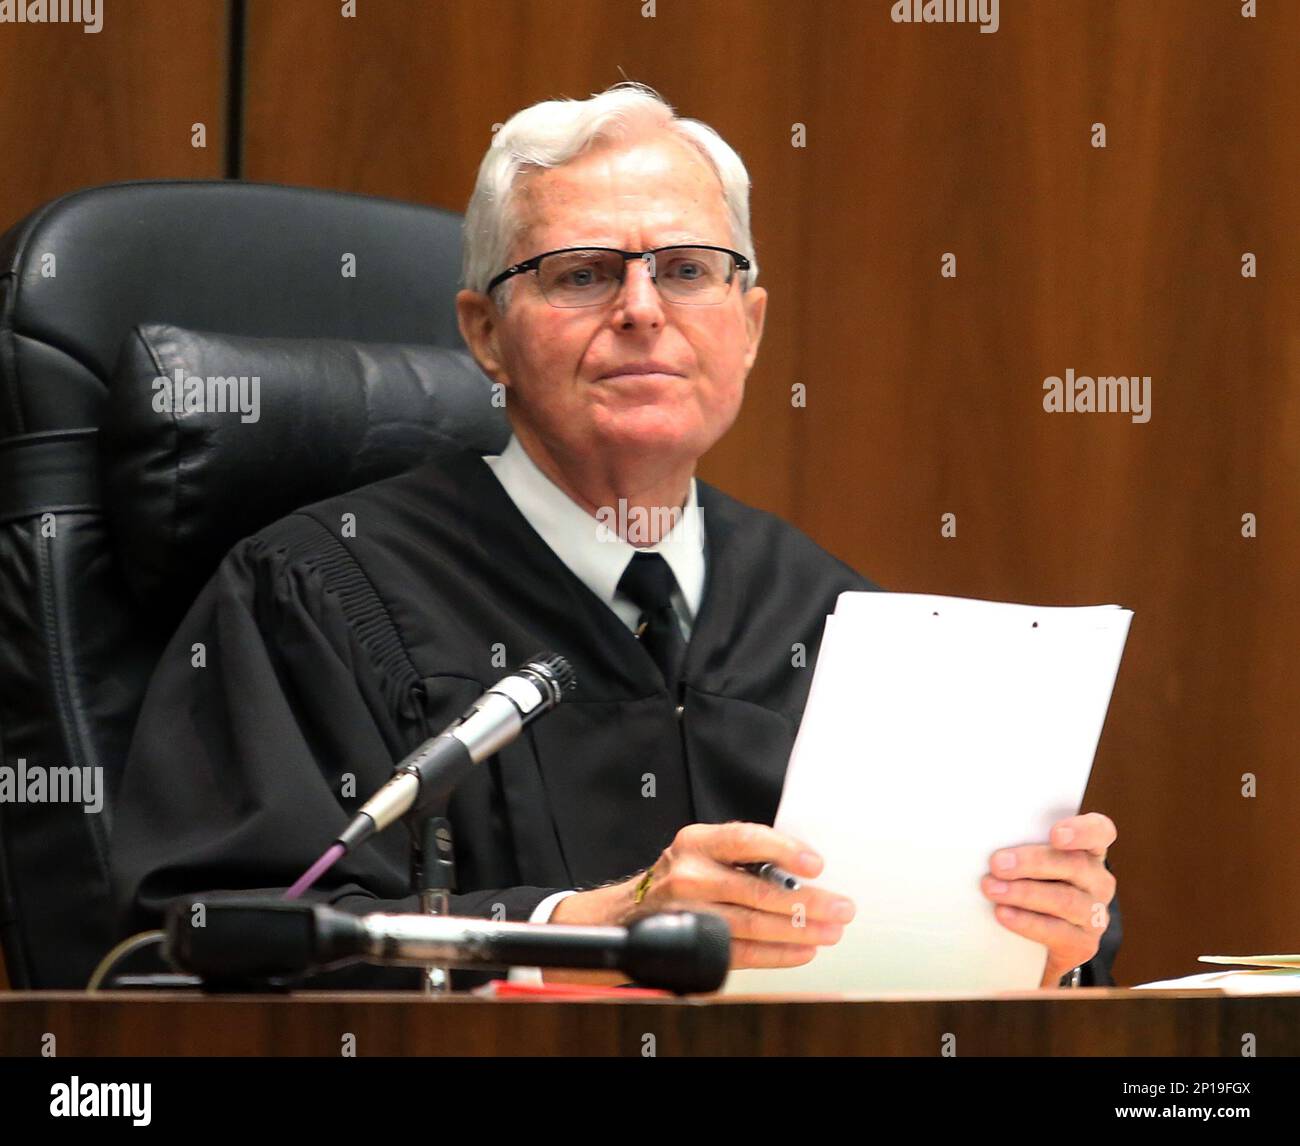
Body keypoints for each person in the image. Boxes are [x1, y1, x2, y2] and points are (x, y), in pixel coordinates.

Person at [110, 82, 1120, 989]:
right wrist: (583, 936)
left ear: (750, 323)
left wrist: (1040, 945)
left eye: (687, 270)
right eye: (583, 274)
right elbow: (205, 949)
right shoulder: (314, 593)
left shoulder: (834, 618)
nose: (642, 311)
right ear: (483, 333)